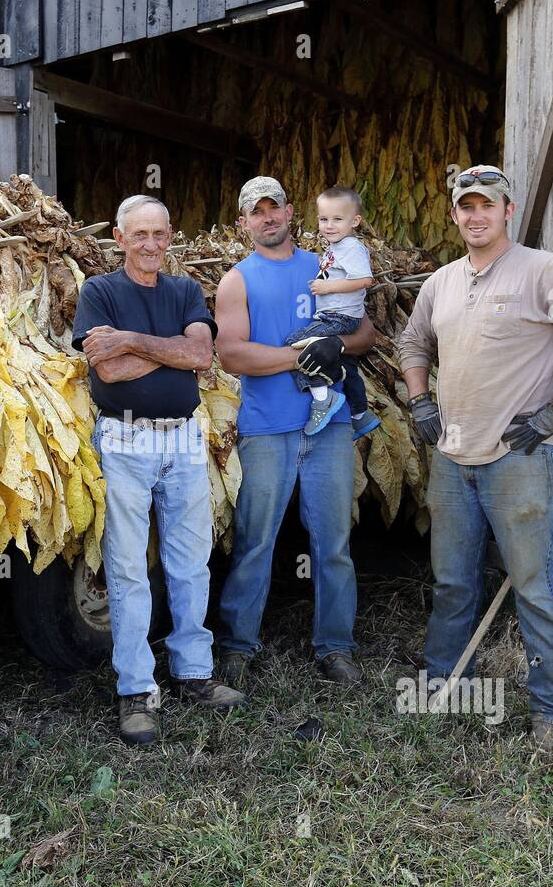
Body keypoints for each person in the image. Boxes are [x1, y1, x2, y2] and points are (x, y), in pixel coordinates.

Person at [395, 164, 553, 751]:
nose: (476, 216)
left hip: (518, 459)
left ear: (508, 211)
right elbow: (413, 341)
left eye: (487, 205)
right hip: (453, 459)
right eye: (465, 206)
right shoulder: (440, 283)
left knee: (533, 585)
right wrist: (420, 398)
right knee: (453, 582)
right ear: (455, 214)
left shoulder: (542, 272)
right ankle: (448, 685)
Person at [72, 194, 246, 746]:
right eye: (139, 235)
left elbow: (201, 357)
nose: (151, 245)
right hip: (124, 440)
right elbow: (107, 368)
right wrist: (165, 348)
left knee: (191, 563)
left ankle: (194, 672)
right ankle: (136, 690)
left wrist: (130, 340)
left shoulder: (185, 290)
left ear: (170, 238)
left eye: (160, 234)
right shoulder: (100, 291)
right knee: (126, 568)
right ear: (119, 239)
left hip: (184, 441)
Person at [214, 177, 378, 687]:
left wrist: (342, 347)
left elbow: (366, 331)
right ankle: (238, 647)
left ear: (290, 213)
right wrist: (306, 355)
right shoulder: (237, 280)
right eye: (255, 212)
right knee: (255, 540)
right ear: (243, 223)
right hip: (267, 428)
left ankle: (335, 647)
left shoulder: (325, 266)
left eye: (275, 207)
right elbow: (232, 353)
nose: (267, 218)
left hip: (327, 427)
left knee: (332, 541)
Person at [284, 186, 381, 440]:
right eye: (324, 219)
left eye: (337, 219)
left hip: (339, 317)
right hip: (337, 315)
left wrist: (328, 286)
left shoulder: (351, 247)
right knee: (348, 363)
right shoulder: (334, 248)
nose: (329, 225)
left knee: (296, 345)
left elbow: (365, 280)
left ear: (355, 221)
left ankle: (322, 397)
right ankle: (360, 415)